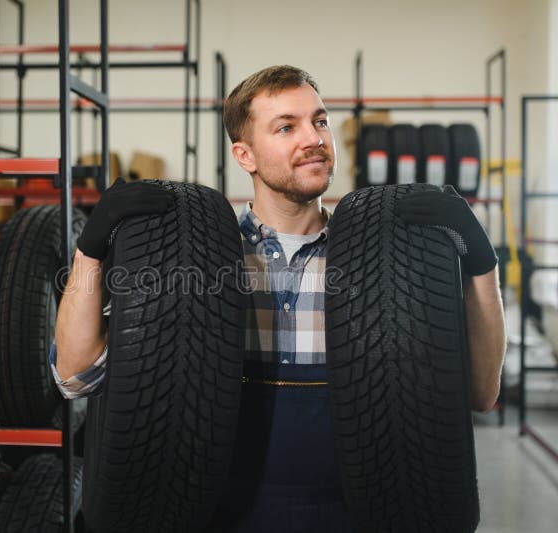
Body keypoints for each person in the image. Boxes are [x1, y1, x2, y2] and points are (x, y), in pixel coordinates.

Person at [51, 65, 506, 532]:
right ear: (244, 155)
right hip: (216, 516)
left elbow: (481, 391)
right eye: (286, 127)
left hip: (358, 517)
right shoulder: (191, 265)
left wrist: (482, 264)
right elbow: (75, 376)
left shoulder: (388, 270)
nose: (314, 138)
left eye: (320, 121)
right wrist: (89, 252)